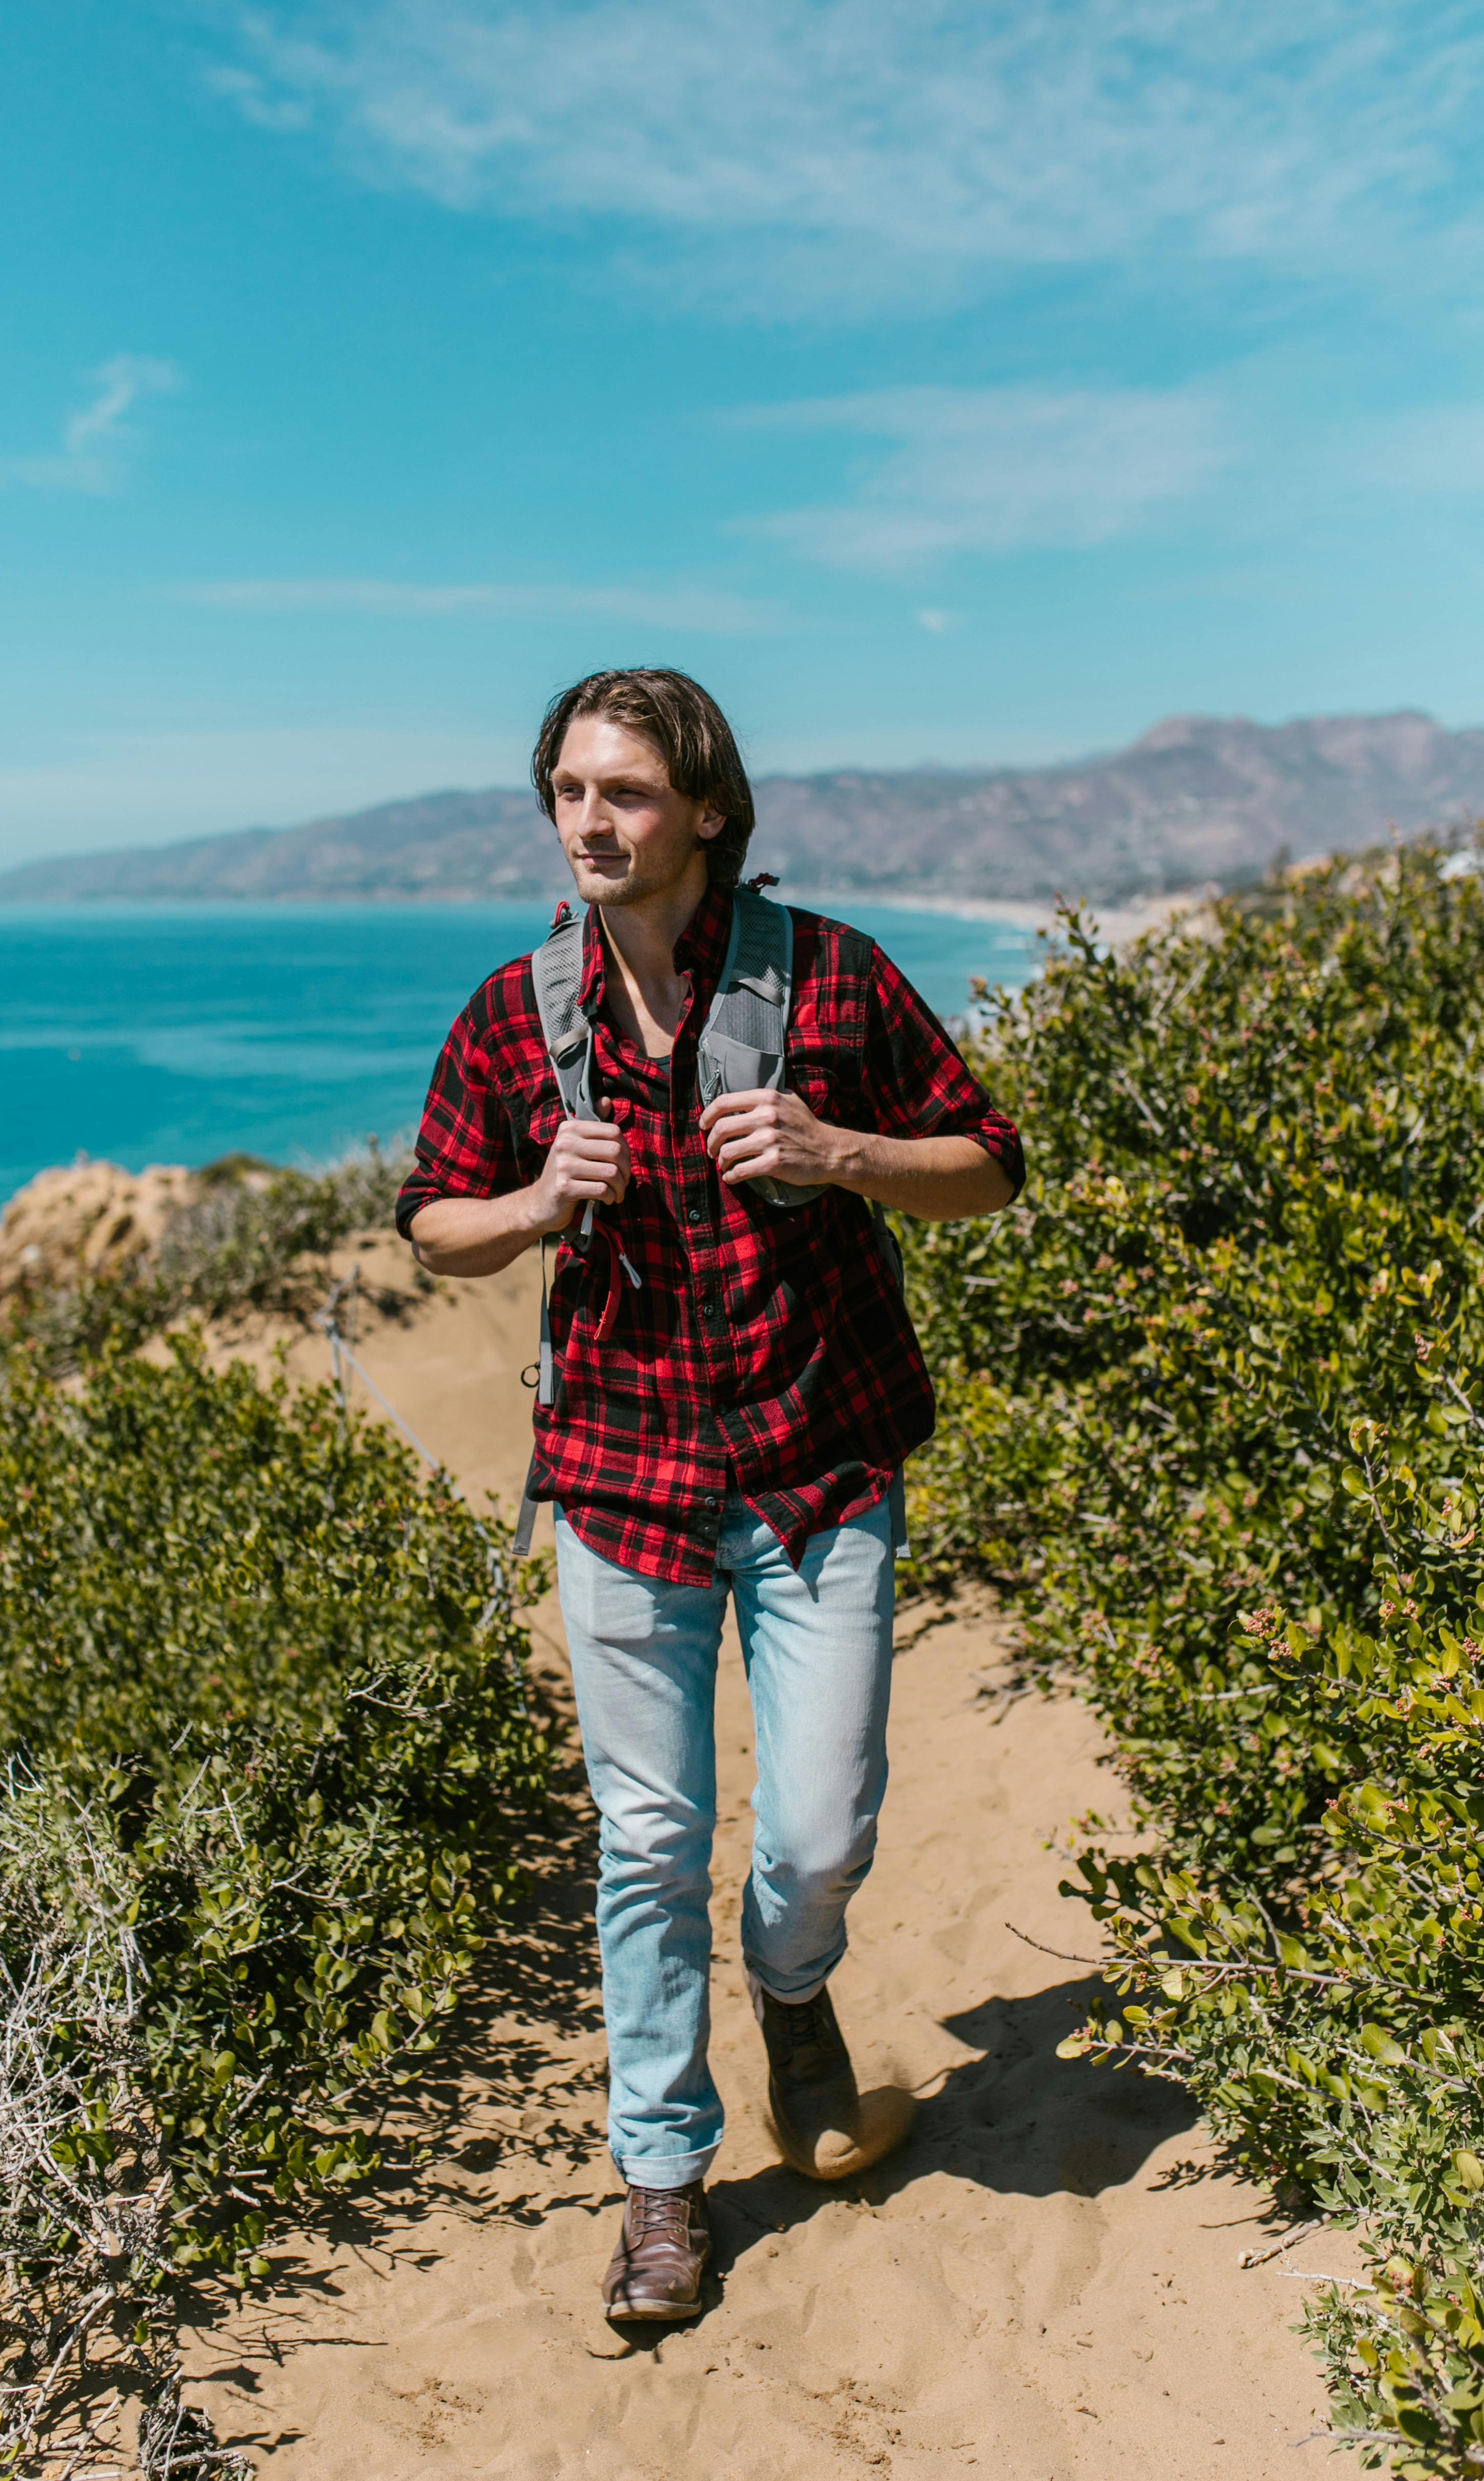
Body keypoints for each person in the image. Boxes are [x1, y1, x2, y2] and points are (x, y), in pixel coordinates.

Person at [398, 669, 1023, 2323]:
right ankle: (663, 2184)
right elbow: (429, 1219)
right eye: (570, 793)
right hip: (619, 1479)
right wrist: (533, 1200)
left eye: (628, 795)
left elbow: (988, 1165)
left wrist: (846, 1155)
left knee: (817, 1832)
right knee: (648, 1844)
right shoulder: (516, 1013)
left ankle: (795, 1989)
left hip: (818, 1470)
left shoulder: (835, 981)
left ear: (711, 814)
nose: (592, 824)